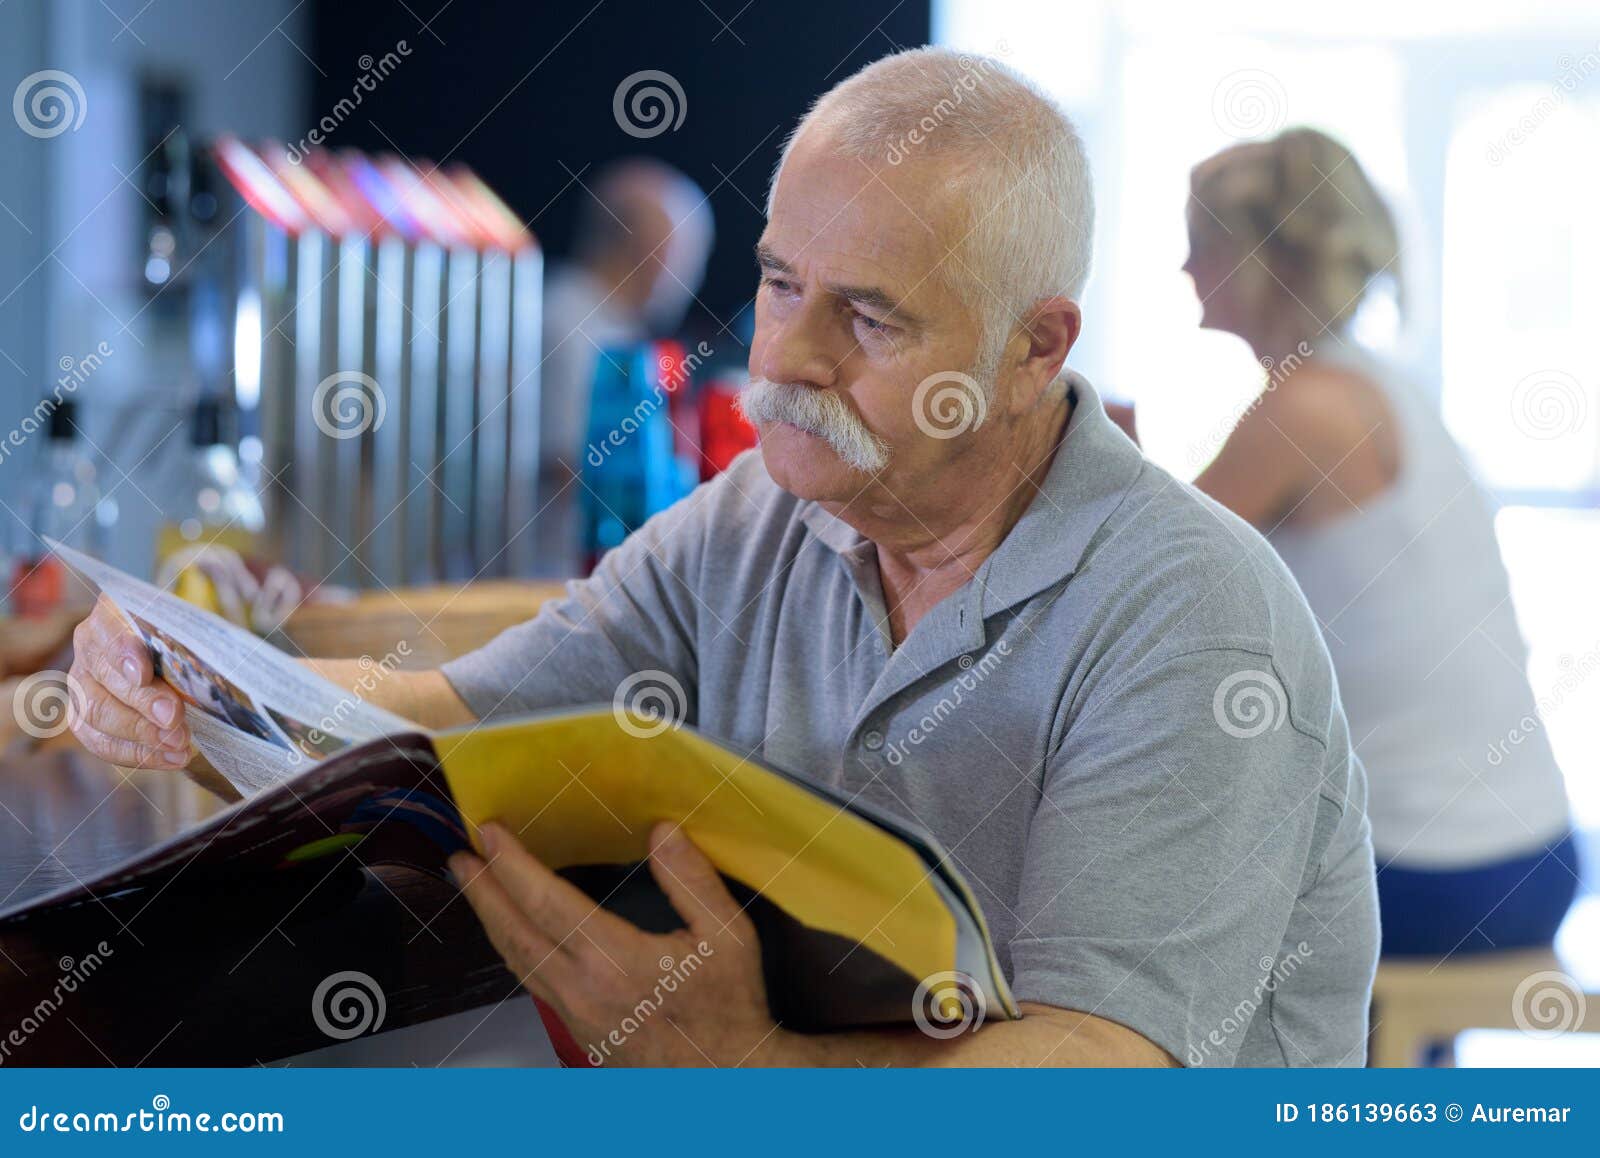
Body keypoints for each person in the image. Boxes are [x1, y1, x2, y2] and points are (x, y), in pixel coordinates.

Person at [69, 49, 1377, 1067]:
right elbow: (449, 715)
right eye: (781, 282)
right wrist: (189, 681)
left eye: (869, 317)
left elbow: (1104, 1067)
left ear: (1035, 349)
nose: (785, 359)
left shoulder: (1191, 610)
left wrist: (749, 1068)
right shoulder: (761, 512)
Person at [1107, 128, 1578, 958]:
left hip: (1438, 874)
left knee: (1134, 897)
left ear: (1255, 263)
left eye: (1201, 244)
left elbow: (1143, 580)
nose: (1184, 268)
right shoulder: (1375, 385)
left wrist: (1101, 460)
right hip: (1528, 855)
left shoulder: (1306, 409)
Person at [535, 158, 714, 575]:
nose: (693, 274)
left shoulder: (613, 324)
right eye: (688, 253)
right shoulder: (566, 322)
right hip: (557, 575)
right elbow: (571, 466)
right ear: (651, 248)